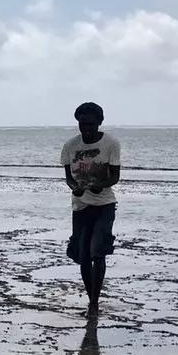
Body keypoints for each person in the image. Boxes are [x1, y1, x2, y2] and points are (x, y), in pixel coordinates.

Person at [61, 102, 122, 316]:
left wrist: (101, 185)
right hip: (80, 206)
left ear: (99, 123)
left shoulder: (111, 144)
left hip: (104, 204)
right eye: (82, 123)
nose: (86, 128)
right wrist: (74, 188)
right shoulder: (70, 146)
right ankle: (91, 299)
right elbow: (69, 176)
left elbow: (115, 176)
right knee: (83, 255)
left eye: (90, 124)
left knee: (98, 250)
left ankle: (94, 304)